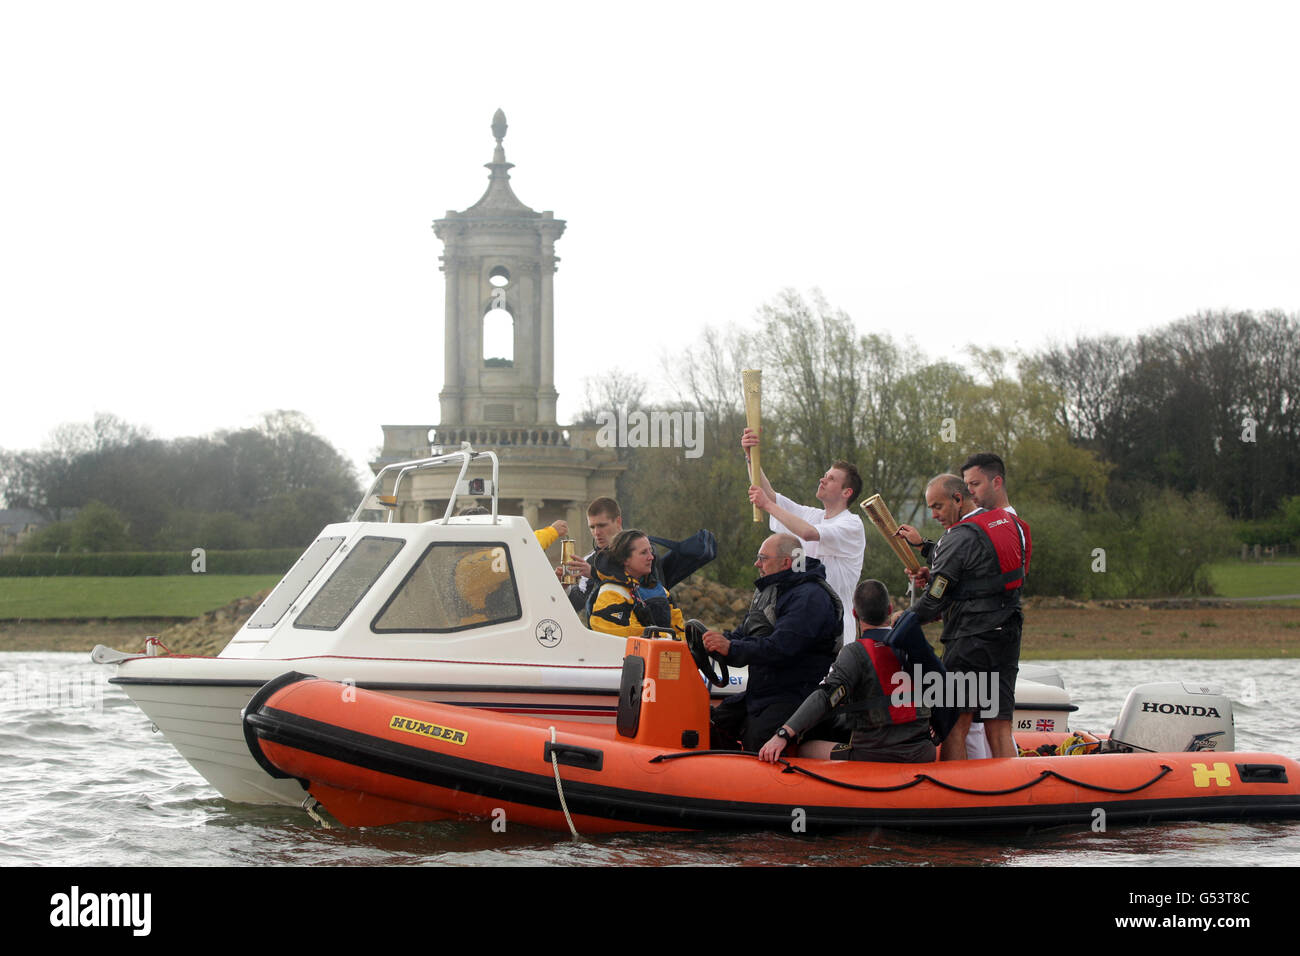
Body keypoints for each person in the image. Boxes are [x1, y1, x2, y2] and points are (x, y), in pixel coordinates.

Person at [903, 474, 1031, 761]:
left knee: (955, 725)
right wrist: (925, 547)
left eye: (937, 506)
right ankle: (1011, 798)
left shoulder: (958, 536)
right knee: (998, 726)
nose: (933, 514)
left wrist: (903, 621)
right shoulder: (1007, 523)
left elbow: (934, 600)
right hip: (1007, 635)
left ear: (958, 499)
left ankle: (954, 801)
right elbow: (975, 562)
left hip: (970, 641)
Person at [758, 580, 936, 764]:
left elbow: (826, 696)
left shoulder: (855, 653)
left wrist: (783, 734)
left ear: (854, 614)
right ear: (890, 609)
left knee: (805, 748)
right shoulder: (916, 646)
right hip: (921, 752)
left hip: (875, 755)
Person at [702, 533, 842, 751]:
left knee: (759, 742)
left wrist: (731, 648)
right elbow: (746, 633)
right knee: (712, 721)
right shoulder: (772, 591)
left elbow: (782, 648)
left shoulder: (809, 597)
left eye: (763, 558)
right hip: (765, 691)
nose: (757, 563)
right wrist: (714, 643)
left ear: (786, 562)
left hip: (794, 694)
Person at [740, 428, 866, 644]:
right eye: (825, 476)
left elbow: (808, 534)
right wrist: (751, 456)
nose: (822, 480)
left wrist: (767, 505)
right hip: (805, 619)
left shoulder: (851, 524)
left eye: (831, 479)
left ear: (847, 492)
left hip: (835, 627)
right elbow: (770, 495)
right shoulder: (813, 515)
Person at [588, 529, 685, 638]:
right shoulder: (611, 593)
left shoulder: (661, 591)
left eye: (650, 551)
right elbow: (625, 634)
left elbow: (679, 631)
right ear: (625, 559)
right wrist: (667, 638)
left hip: (665, 653)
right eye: (644, 552)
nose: (651, 557)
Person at [561, 497, 624, 613]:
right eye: (592, 527)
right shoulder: (589, 560)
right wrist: (564, 587)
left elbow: (640, 585)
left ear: (618, 522)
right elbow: (578, 603)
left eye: (602, 525)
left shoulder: (640, 549)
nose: (596, 533)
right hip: (600, 628)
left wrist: (594, 573)